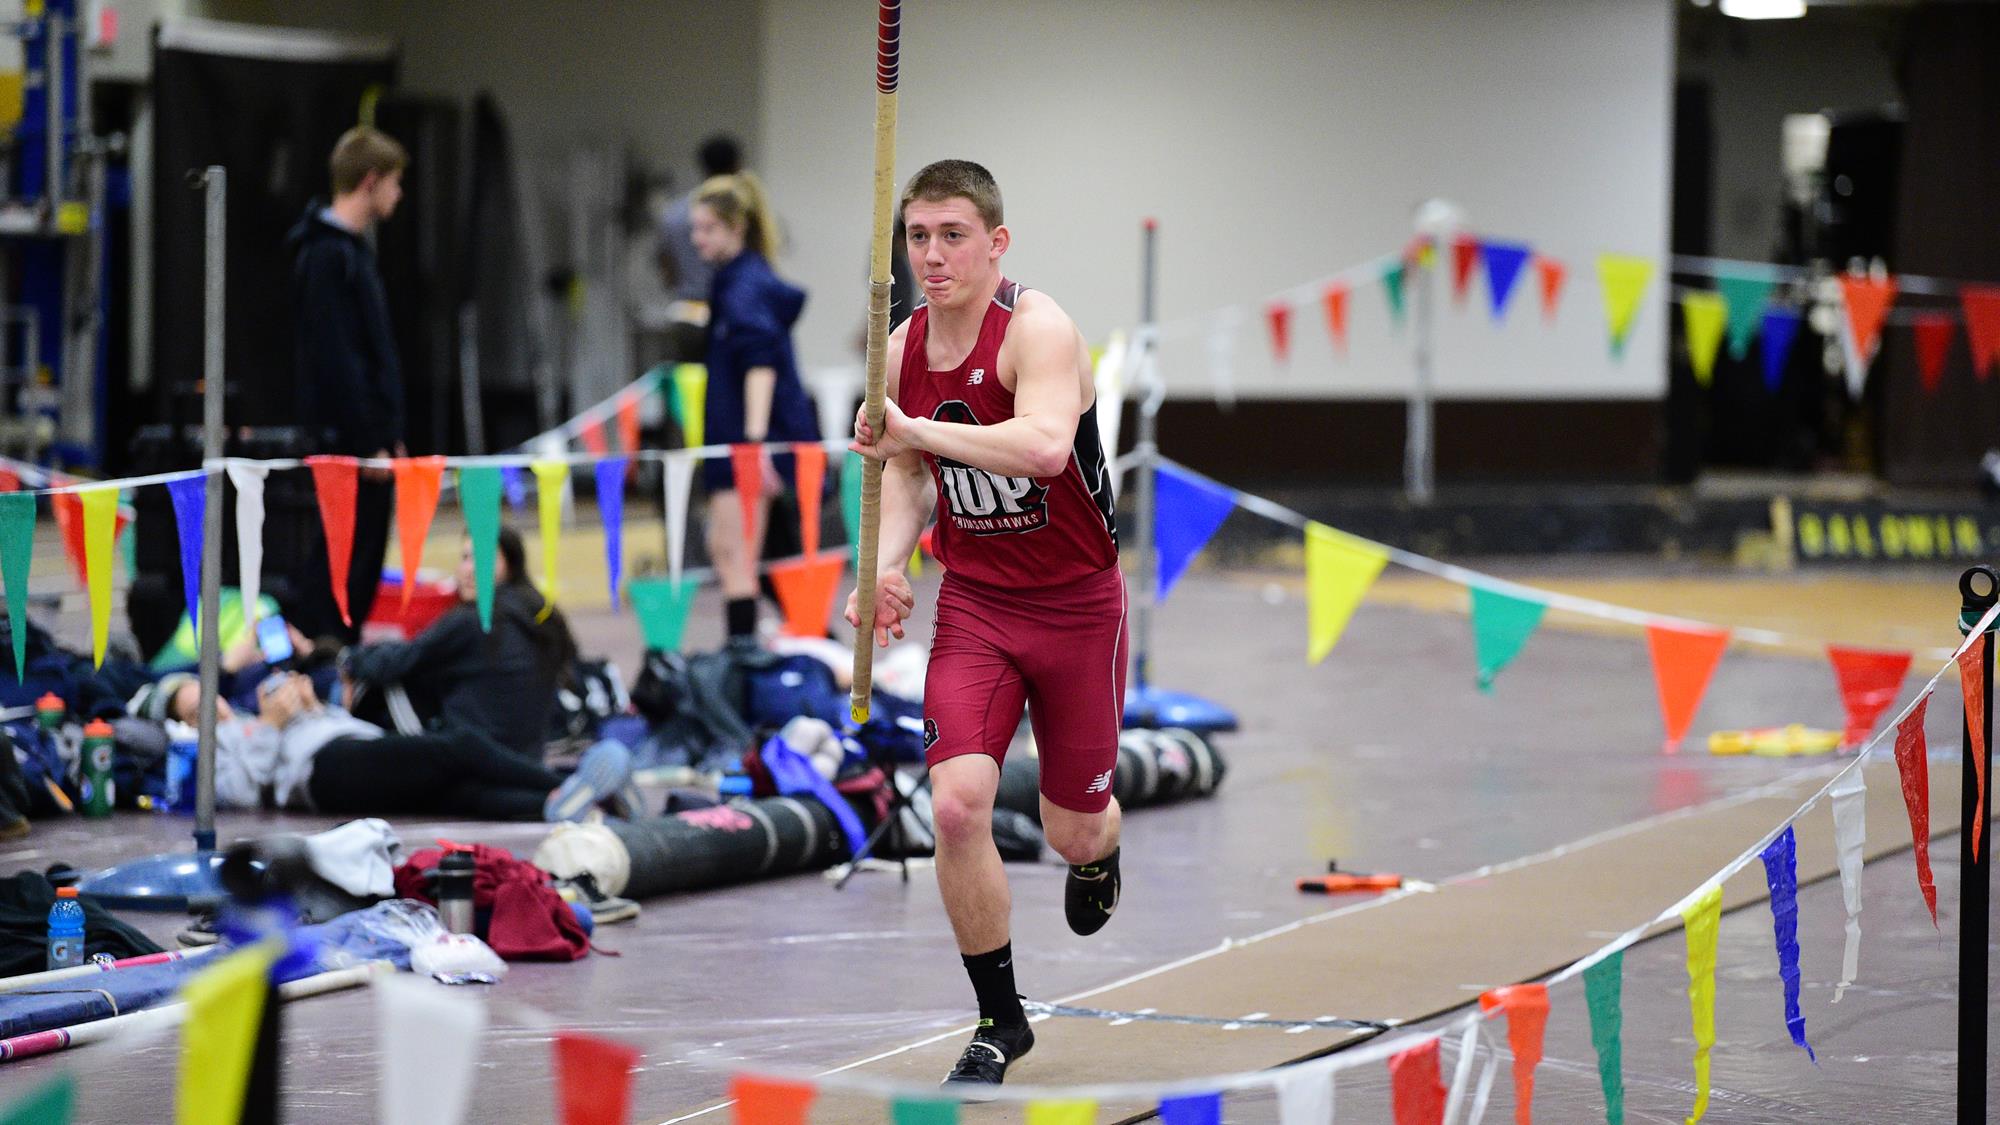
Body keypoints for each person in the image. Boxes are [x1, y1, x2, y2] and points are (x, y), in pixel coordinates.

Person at [845, 160, 1124, 1087]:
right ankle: (1001, 1019)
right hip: (979, 603)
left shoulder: (1037, 330)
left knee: (1071, 830)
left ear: (996, 243)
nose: (932, 255)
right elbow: (907, 479)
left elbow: (1045, 448)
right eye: (918, 236)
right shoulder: (902, 344)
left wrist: (913, 430)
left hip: (1078, 604)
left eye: (952, 235)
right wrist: (882, 570)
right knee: (958, 803)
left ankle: (1100, 849)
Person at [129, 671, 634, 822]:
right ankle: (568, 783)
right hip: (323, 773)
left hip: (352, 749)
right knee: (454, 747)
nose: (209, 710)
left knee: (455, 793)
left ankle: (557, 807)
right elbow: (245, 792)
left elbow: (340, 724)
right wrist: (269, 725)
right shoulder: (206, 748)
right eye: (193, 710)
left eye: (206, 696)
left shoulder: (252, 706)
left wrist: (313, 706)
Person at [287, 126, 408, 645]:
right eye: (395, 182)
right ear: (371, 180)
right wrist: (368, 443)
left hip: (370, 444)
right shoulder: (325, 258)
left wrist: (390, 432)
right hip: (347, 449)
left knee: (363, 567)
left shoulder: (355, 253)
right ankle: (317, 662)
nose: (399, 195)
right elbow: (339, 362)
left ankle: (340, 656)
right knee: (337, 565)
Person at [691, 172, 820, 644]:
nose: (696, 239)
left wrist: (755, 443)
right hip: (733, 439)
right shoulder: (732, 282)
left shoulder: (745, 285)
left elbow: (761, 364)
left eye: (706, 228)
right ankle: (813, 638)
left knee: (735, 553)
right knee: (734, 550)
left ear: (736, 228)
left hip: (747, 442)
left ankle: (742, 659)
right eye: (694, 228)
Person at [339, 526, 578, 762]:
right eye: (465, 558)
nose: (469, 570)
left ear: (511, 566)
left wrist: (347, 660)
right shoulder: (539, 612)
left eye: (483, 559)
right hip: (528, 757)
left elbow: (400, 660)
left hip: (473, 760)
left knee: (383, 680)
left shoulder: (474, 620)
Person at [658, 135, 744, 364]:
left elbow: (667, 268)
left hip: (687, 310)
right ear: (737, 166)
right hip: (729, 313)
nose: (699, 239)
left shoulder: (675, 214)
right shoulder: (742, 212)